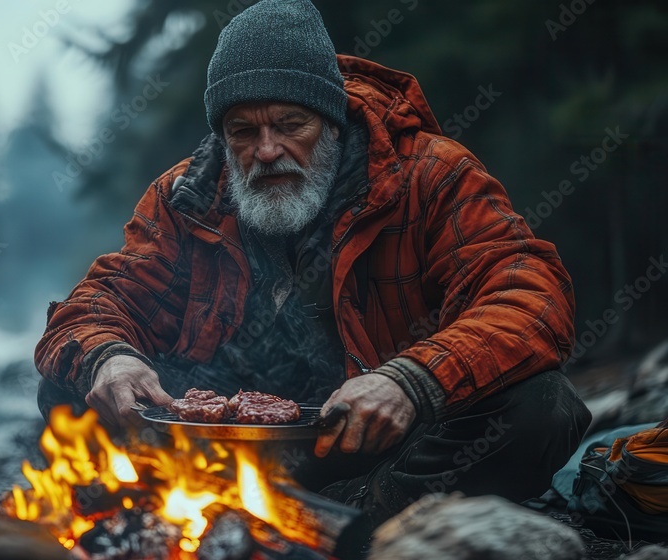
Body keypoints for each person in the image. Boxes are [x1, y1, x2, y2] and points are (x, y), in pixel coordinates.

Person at [34, 0, 591, 526]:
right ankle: (194, 509)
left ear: (331, 119)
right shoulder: (187, 197)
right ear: (223, 137)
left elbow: (532, 295)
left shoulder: (430, 176)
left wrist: (412, 379)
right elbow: (101, 301)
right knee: (75, 387)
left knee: (544, 409)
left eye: (290, 124)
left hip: (374, 449)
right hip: (218, 450)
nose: (267, 150)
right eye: (243, 132)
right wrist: (110, 358)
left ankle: (360, 515)